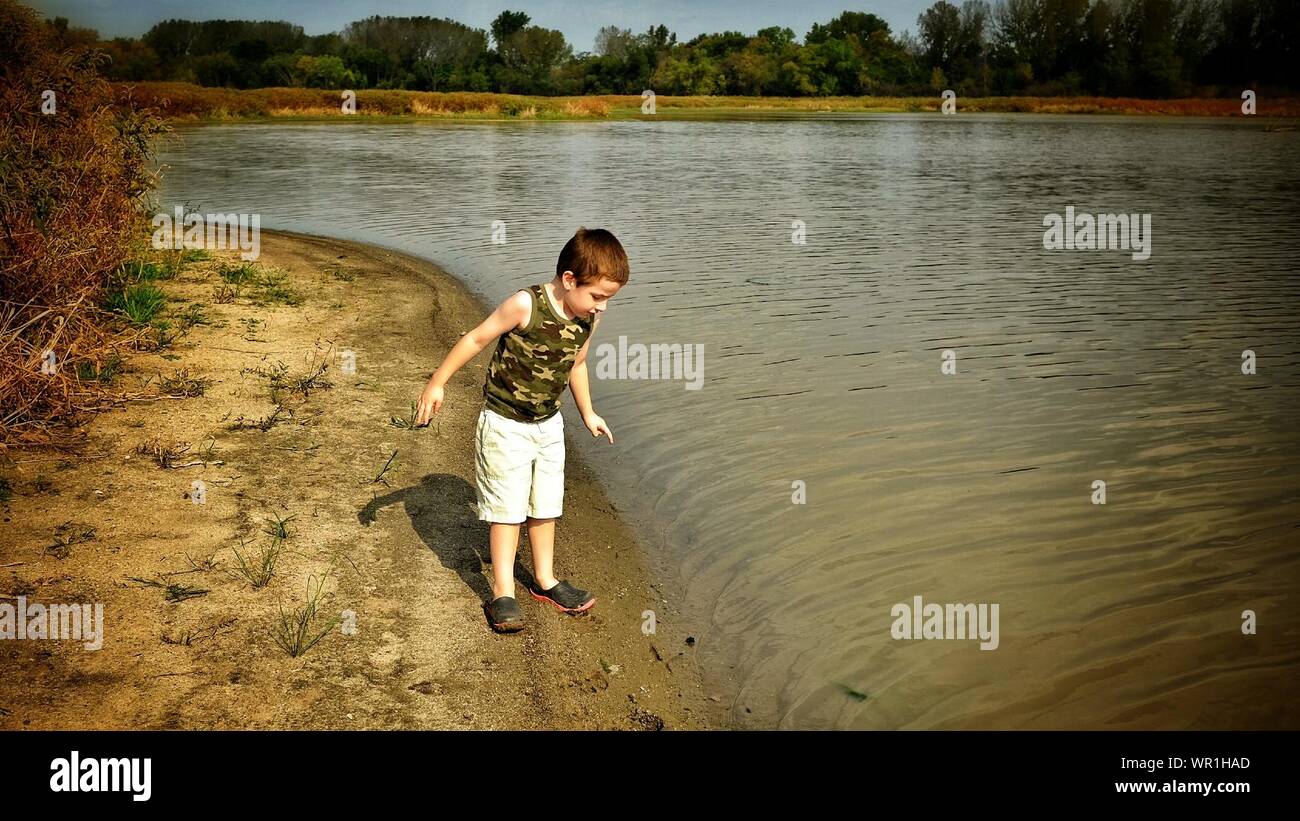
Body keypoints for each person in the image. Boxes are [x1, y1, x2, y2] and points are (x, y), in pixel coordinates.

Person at [415, 227, 628, 632]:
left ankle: (545, 580)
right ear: (569, 280)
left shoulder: (587, 318)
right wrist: (437, 382)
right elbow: (477, 338)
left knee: (546, 503)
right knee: (507, 510)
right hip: (505, 425)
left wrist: (588, 413)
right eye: (597, 297)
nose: (601, 308)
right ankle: (503, 591)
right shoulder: (525, 305)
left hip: (548, 424)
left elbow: (576, 365)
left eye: (608, 300)